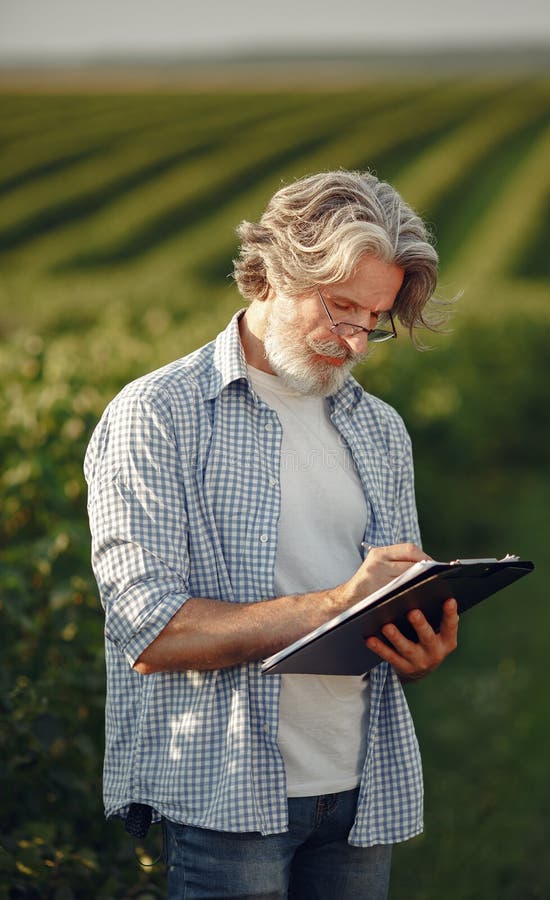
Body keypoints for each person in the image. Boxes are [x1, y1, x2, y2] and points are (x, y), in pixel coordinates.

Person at [84, 170, 459, 900]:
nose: (353, 341)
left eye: (372, 318)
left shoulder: (379, 429)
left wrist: (417, 645)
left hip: (358, 793)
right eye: (339, 307)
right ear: (271, 273)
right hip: (226, 798)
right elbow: (150, 633)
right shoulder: (158, 415)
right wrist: (338, 602)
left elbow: (385, 601)